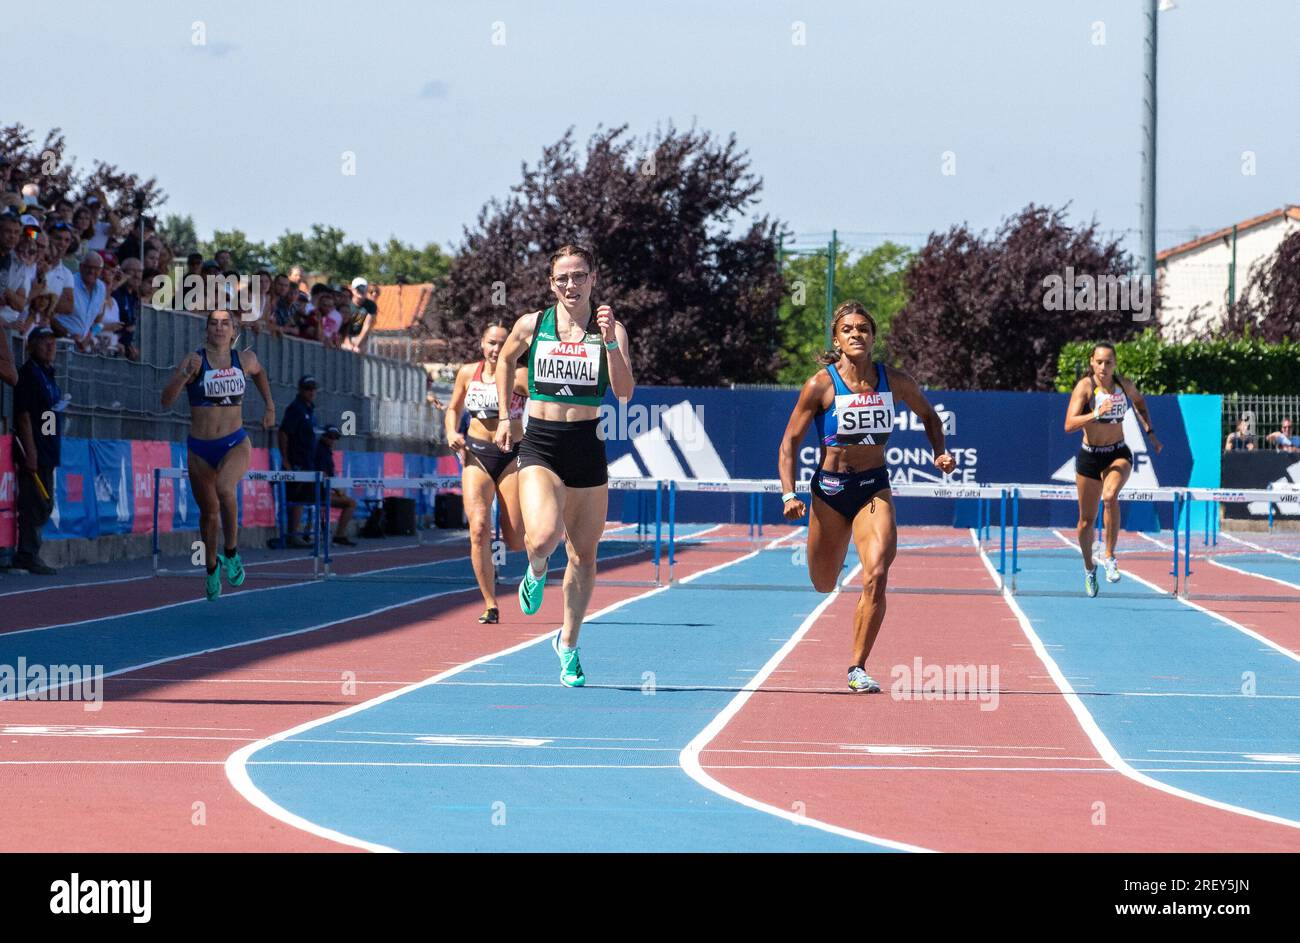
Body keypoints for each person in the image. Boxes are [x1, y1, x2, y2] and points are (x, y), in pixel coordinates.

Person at [777, 301, 956, 693]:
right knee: (824, 583)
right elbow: (790, 441)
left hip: (873, 488)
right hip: (829, 491)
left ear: (873, 337)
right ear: (837, 339)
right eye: (848, 329)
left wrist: (938, 451)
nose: (856, 334)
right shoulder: (820, 385)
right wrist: (789, 493)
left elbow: (930, 416)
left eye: (863, 328)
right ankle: (835, 554)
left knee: (876, 572)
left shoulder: (895, 381)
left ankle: (857, 667)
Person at [493, 244, 634, 686]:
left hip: (587, 446)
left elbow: (624, 389)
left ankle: (568, 644)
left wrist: (610, 343)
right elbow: (504, 359)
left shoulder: (611, 329)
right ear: (551, 283)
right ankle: (536, 569)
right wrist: (504, 415)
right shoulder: (533, 324)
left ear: (593, 278)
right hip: (541, 443)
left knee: (585, 555)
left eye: (578, 276)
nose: (570, 285)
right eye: (562, 279)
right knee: (544, 535)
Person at [160, 306, 275, 600]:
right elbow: (166, 401)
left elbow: (260, 374)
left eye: (226, 323)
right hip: (200, 448)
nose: (220, 328)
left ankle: (232, 552)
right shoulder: (194, 360)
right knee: (209, 514)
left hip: (234, 442)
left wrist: (270, 406)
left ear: (234, 331)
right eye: (214, 323)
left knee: (226, 488)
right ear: (207, 330)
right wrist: (185, 375)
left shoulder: (245, 359)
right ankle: (211, 568)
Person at [445, 323, 529, 623]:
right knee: (479, 528)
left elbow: (548, 406)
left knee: (516, 540)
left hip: (510, 456)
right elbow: (453, 408)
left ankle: (536, 565)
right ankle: (491, 603)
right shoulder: (468, 373)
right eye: (491, 343)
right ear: (482, 344)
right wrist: (450, 432)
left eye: (502, 344)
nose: (496, 349)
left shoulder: (521, 376)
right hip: (477, 454)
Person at [1064, 341, 1162, 596]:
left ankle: (1109, 556)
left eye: (1108, 362)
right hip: (1089, 456)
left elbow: (1140, 403)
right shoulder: (1085, 387)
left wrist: (1150, 432)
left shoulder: (1123, 385)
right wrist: (1096, 413)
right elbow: (1069, 424)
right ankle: (1089, 568)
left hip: (1118, 453)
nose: (1104, 367)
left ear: (1115, 363)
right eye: (1099, 362)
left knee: (1110, 497)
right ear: (1091, 363)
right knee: (1085, 522)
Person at [10, 327, 63, 574]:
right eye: (44, 342)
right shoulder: (29, 375)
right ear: (31, 345)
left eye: (52, 342)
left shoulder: (48, 374)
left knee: (45, 503)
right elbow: (24, 416)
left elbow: (49, 411)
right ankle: (27, 554)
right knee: (34, 503)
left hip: (49, 449)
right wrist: (30, 452)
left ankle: (32, 552)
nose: (50, 346)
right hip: (36, 450)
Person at [278, 375, 319, 547]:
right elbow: (283, 433)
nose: (311, 392)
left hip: (308, 461)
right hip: (296, 462)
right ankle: (293, 534)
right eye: (307, 388)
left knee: (306, 498)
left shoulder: (310, 410)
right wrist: (286, 460)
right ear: (300, 390)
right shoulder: (296, 409)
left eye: (313, 389)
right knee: (297, 498)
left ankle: (302, 533)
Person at [312, 424, 356, 546]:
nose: (333, 440)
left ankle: (339, 534)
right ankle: (339, 535)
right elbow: (323, 474)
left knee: (347, 500)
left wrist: (335, 490)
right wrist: (337, 490)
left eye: (335, 437)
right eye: (330, 437)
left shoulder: (325, 450)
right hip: (317, 492)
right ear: (324, 436)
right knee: (351, 503)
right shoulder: (320, 451)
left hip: (322, 489)